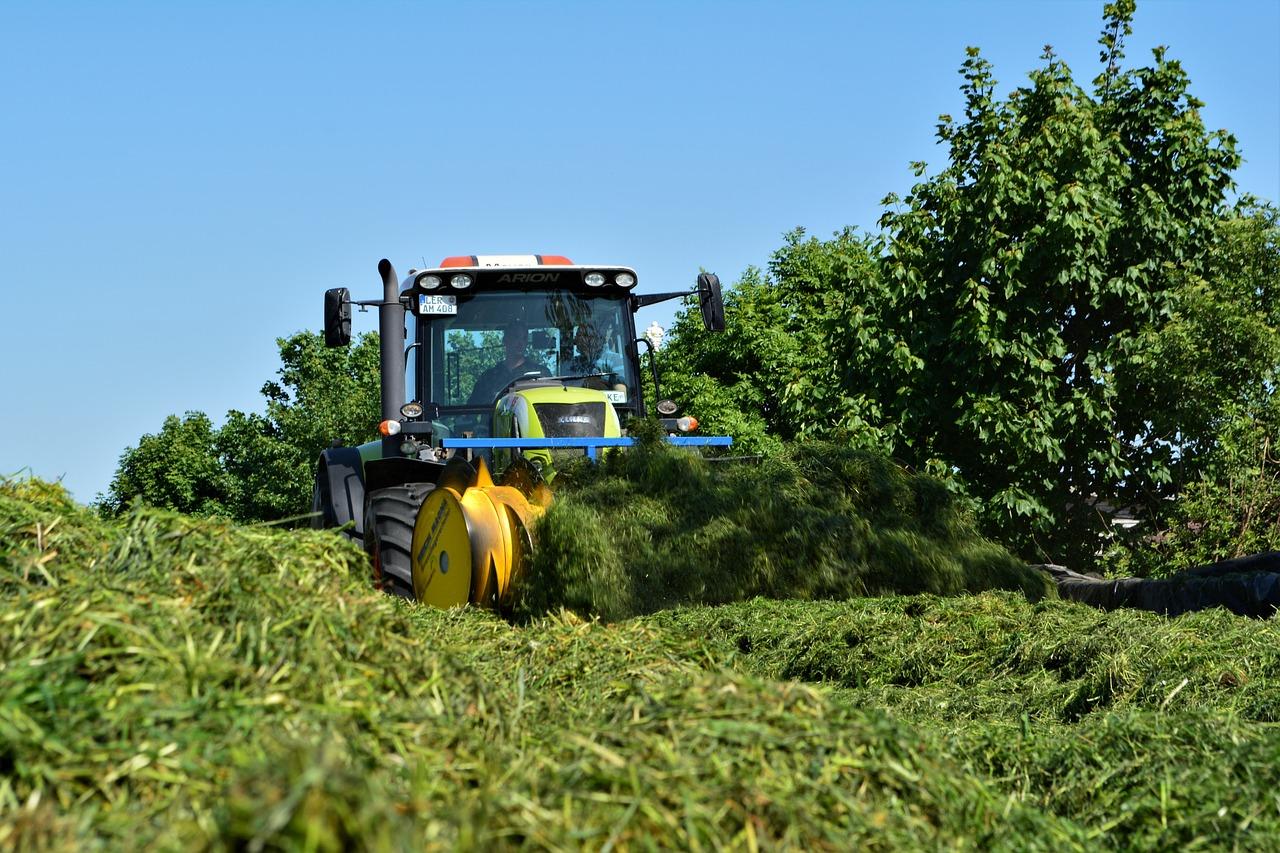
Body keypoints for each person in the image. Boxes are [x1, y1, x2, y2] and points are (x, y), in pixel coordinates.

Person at [467, 320, 550, 404]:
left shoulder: (541, 374)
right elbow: (470, 412)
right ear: (505, 340)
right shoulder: (488, 378)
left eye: (524, 338)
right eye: (516, 337)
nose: (520, 342)